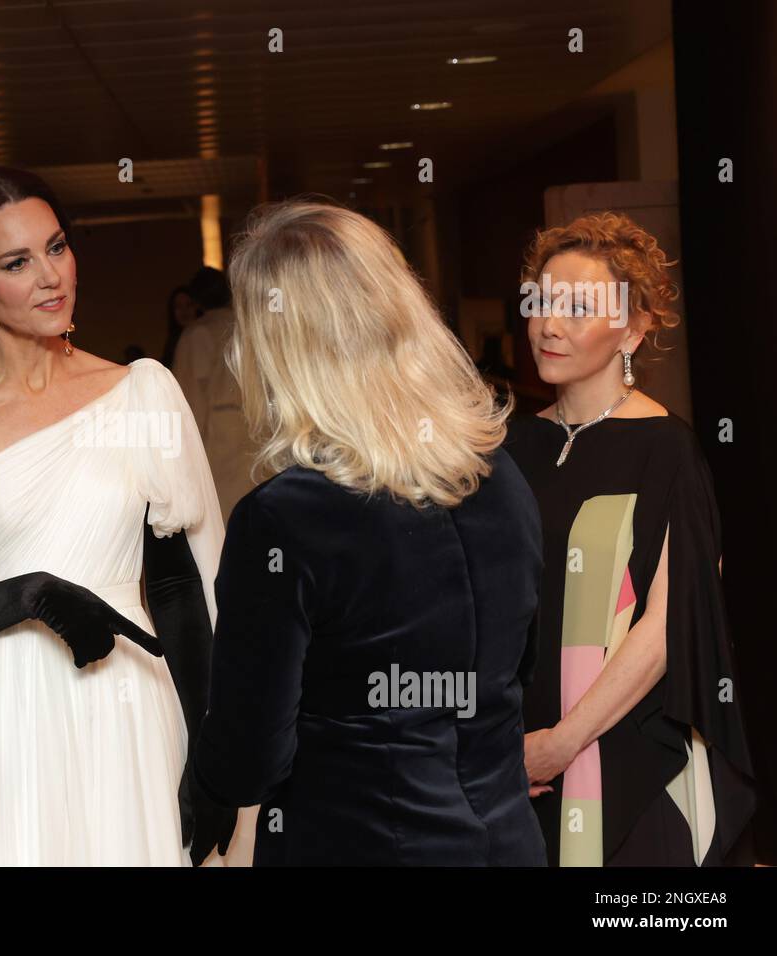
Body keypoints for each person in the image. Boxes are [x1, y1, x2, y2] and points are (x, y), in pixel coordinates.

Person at [0, 167, 238, 866]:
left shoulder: (141, 393)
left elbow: (177, 591)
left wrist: (211, 750)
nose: (50, 276)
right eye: (17, 262)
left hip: (135, 706)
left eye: (57, 247)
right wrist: (27, 595)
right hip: (6, 724)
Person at [193, 200, 547, 866]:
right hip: (508, 844)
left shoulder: (283, 519)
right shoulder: (501, 476)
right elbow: (516, 668)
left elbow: (248, 760)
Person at [506, 211, 756, 865]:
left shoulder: (666, 449)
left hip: (622, 747)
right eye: (542, 302)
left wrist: (564, 740)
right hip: (515, 754)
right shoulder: (511, 445)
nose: (550, 325)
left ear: (636, 326)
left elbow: (671, 625)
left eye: (579, 307)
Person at [171, 266, 258, 520]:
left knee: (223, 516)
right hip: (256, 428)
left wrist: (182, 455)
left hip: (219, 437)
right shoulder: (249, 328)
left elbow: (189, 398)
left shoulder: (198, 333)